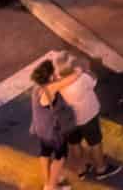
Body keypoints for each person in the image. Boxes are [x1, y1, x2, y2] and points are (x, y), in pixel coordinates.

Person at [55, 54, 121, 180]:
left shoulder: (57, 83)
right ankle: (101, 168)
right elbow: (94, 80)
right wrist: (84, 70)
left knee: (74, 143)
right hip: (87, 117)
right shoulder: (82, 79)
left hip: (69, 121)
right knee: (95, 142)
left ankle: (81, 169)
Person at [28, 59, 74, 190]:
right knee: (60, 157)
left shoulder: (36, 87)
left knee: (45, 153)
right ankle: (52, 187)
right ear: (49, 76)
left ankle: (47, 181)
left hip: (40, 129)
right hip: (52, 132)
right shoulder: (49, 88)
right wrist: (78, 70)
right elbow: (71, 79)